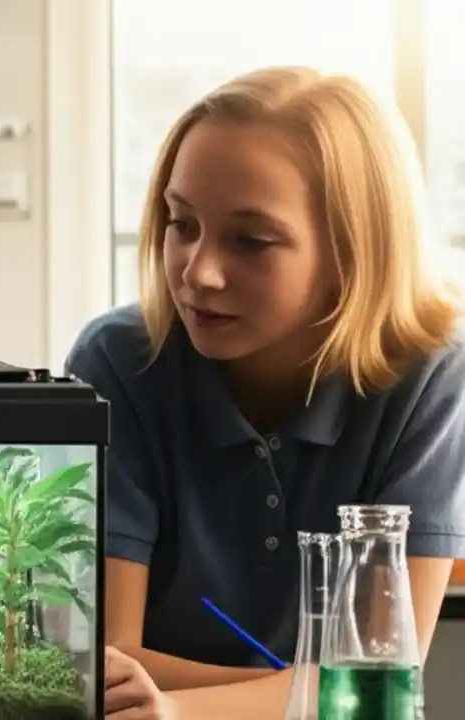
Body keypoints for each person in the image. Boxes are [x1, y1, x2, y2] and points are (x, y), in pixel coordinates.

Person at [66, 65, 465, 719]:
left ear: (354, 251)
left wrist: (182, 707)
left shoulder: (431, 374)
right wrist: (312, 689)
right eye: (181, 224)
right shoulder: (118, 360)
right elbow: (107, 662)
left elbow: (386, 681)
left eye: (251, 241)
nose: (199, 273)